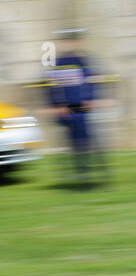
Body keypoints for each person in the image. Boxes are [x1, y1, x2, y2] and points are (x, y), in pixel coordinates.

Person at [42, 28, 105, 188]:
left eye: (75, 41)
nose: (72, 44)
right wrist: (56, 105)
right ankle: (80, 175)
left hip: (82, 109)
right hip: (67, 110)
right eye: (68, 41)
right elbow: (50, 86)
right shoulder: (58, 63)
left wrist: (92, 99)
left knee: (87, 141)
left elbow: (93, 82)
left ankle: (90, 173)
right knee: (74, 142)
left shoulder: (85, 61)